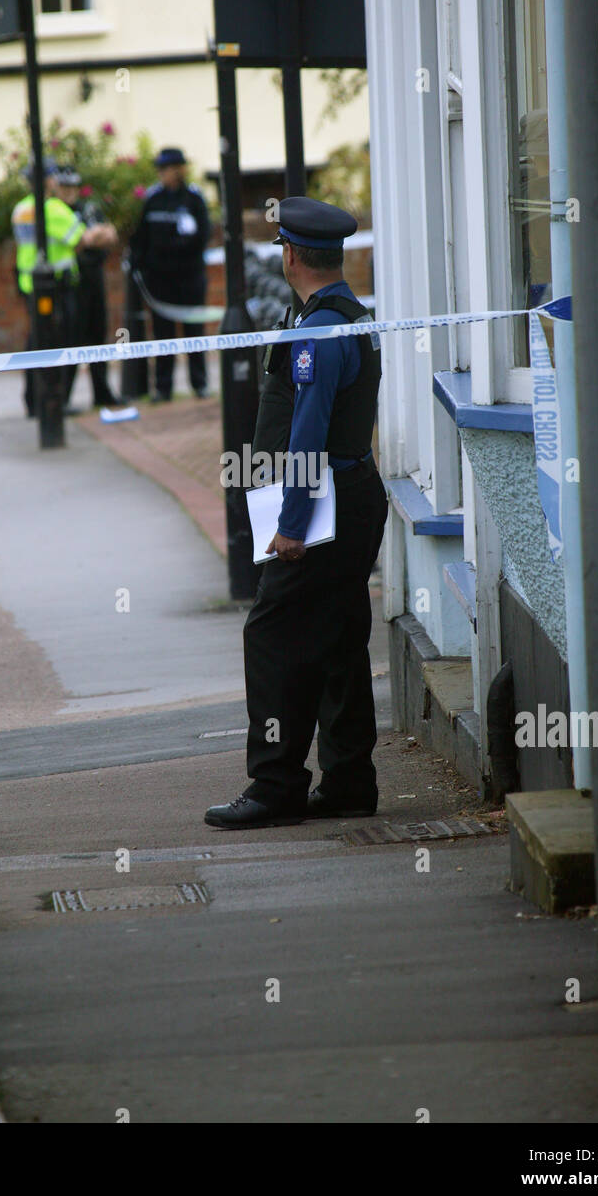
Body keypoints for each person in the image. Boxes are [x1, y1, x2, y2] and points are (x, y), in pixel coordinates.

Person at [205, 197, 388, 829]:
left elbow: (307, 435)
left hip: (324, 503)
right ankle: (348, 781)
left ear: (289, 254)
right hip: (356, 494)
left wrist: (290, 525)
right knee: (338, 637)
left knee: (274, 635)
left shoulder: (315, 332)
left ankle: (276, 784)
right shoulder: (346, 314)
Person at [11, 160, 111, 417]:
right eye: (54, 177)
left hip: (28, 282)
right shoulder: (53, 209)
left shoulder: (21, 209)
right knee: (56, 343)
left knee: (36, 341)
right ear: (48, 181)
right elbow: (84, 239)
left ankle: (33, 401)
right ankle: (52, 403)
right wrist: (103, 230)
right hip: (56, 285)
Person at [128, 147, 210, 402]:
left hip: (189, 278)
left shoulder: (194, 199)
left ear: (180, 170)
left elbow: (203, 236)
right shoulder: (153, 199)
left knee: (193, 332)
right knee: (163, 335)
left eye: (166, 169)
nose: (162, 174)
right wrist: (138, 264)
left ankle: (200, 384)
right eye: (160, 169)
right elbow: (141, 237)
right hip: (160, 279)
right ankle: (163, 388)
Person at [52, 164, 122, 409]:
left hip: (94, 278)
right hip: (70, 283)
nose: (70, 191)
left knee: (97, 336)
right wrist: (90, 238)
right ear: (56, 187)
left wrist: (91, 238)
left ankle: (102, 393)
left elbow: (110, 235)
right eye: (65, 185)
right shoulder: (55, 211)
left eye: (73, 185)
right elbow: (84, 240)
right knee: (70, 341)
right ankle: (63, 400)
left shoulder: (88, 208)